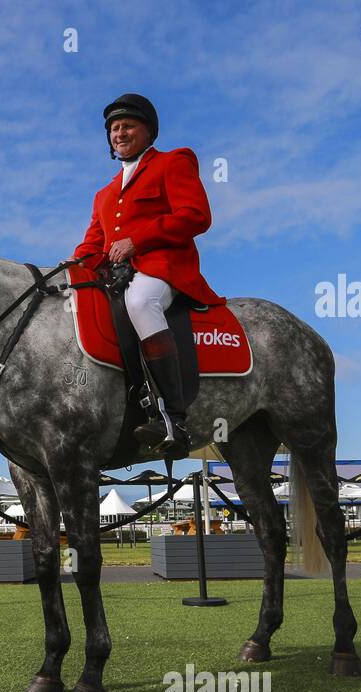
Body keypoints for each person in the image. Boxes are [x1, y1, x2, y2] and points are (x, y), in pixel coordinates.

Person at [73, 93, 225, 460]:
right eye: (114, 128)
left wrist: (136, 240)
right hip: (117, 276)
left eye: (127, 126)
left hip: (164, 268)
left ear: (147, 132)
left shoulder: (174, 162)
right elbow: (94, 243)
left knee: (141, 301)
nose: (119, 133)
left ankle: (173, 417)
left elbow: (196, 216)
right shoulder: (104, 194)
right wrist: (72, 265)